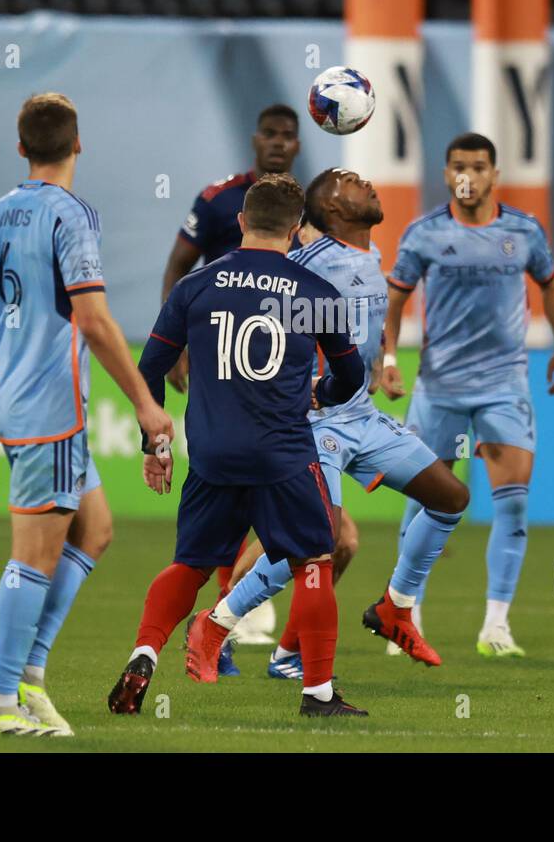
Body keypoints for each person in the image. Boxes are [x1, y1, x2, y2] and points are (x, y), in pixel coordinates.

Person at [190, 168, 469, 681]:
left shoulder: (371, 255)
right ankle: (217, 623)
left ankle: (395, 609)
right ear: (334, 209)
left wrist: (384, 360)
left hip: (361, 414)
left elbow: (362, 327)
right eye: (353, 183)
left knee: (450, 497)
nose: (368, 185)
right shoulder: (305, 268)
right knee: (319, 540)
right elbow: (258, 327)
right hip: (313, 425)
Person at [108, 172, 369, 718]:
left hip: (213, 456)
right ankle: (317, 694)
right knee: (315, 563)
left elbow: (150, 370)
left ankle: (143, 653)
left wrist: (153, 445)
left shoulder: (197, 287)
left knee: (190, 566)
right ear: (297, 230)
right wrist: (320, 391)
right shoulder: (316, 294)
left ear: (242, 222)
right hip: (284, 456)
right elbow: (351, 375)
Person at [0, 92, 172, 737]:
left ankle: (30, 677)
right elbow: (94, 319)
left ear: (21, 149)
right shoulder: (72, 216)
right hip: (48, 406)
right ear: (79, 145)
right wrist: (145, 404)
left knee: (95, 528)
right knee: (33, 557)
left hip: (17, 403)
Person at [381, 133, 554, 658]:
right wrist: (391, 359)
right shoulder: (424, 234)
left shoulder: (524, 230)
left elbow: (551, 283)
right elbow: (394, 300)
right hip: (438, 386)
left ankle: (496, 627)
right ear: (446, 174)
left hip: (504, 385)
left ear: (495, 174)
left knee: (512, 504)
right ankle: (405, 618)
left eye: (479, 166)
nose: (468, 175)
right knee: (425, 501)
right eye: (459, 166)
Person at [159, 103, 302, 645]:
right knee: (233, 476)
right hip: (221, 360)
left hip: (279, 365)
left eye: (287, 136)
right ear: (254, 139)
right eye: (269, 134)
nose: (277, 143)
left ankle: (239, 604)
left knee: (269, 477)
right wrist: (174, 348)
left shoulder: (302, 207)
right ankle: (231, 604)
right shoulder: (220, 200)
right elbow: (178, 266)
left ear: (297, 146)